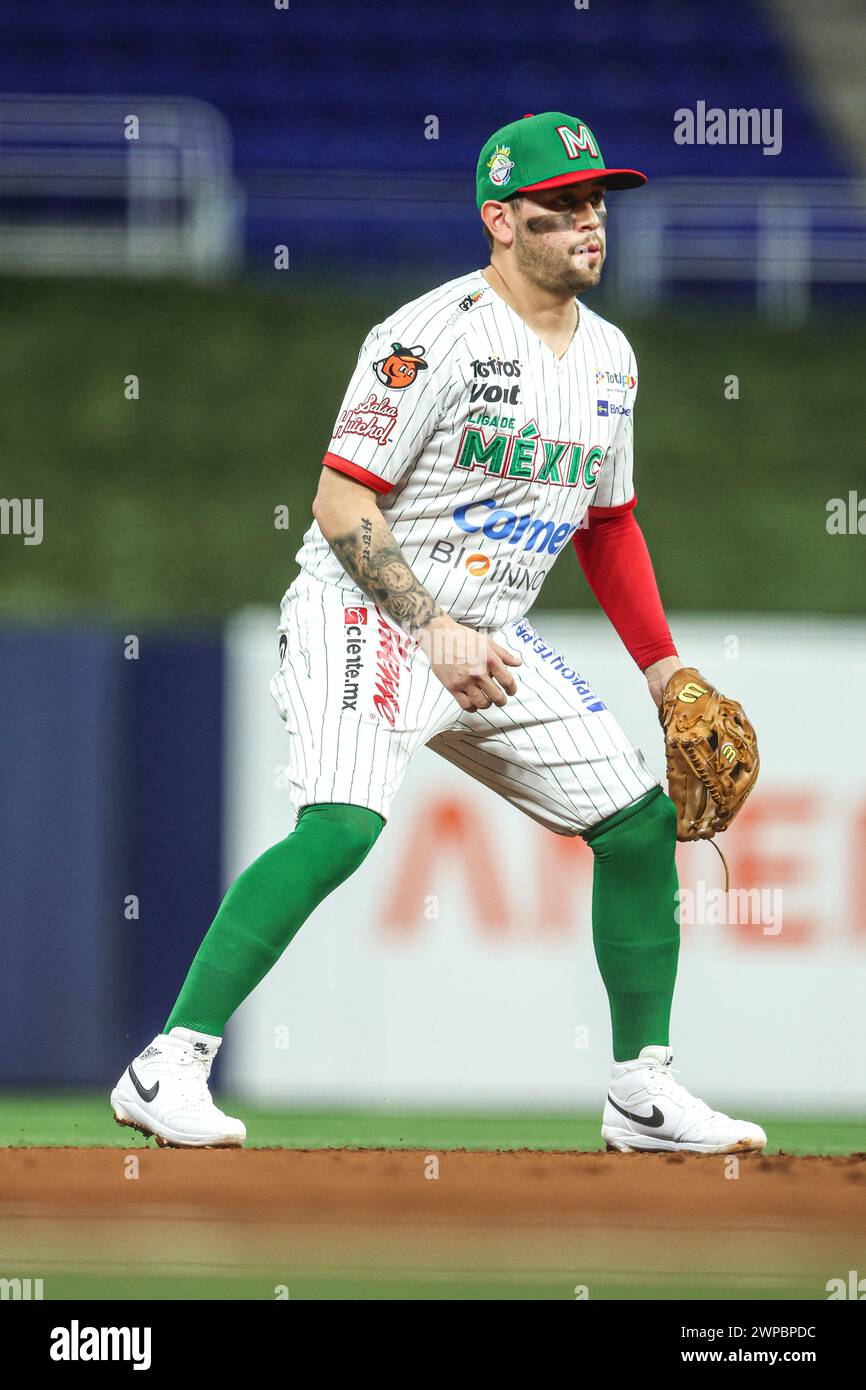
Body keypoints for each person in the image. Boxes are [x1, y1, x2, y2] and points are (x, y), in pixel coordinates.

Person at [111, 112, 766, 1154]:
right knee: (341, 827)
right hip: (362, 607)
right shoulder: (429, 337)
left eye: (597, 203)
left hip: (487, 632)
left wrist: (663, 666)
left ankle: (640, 1092)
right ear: (500, 219)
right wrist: (426, 624)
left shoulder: (608, 358)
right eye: (562, 208)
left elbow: (608, 525)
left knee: (635, 823)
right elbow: (338, 502)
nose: (589, 225)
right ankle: (168, 1063)